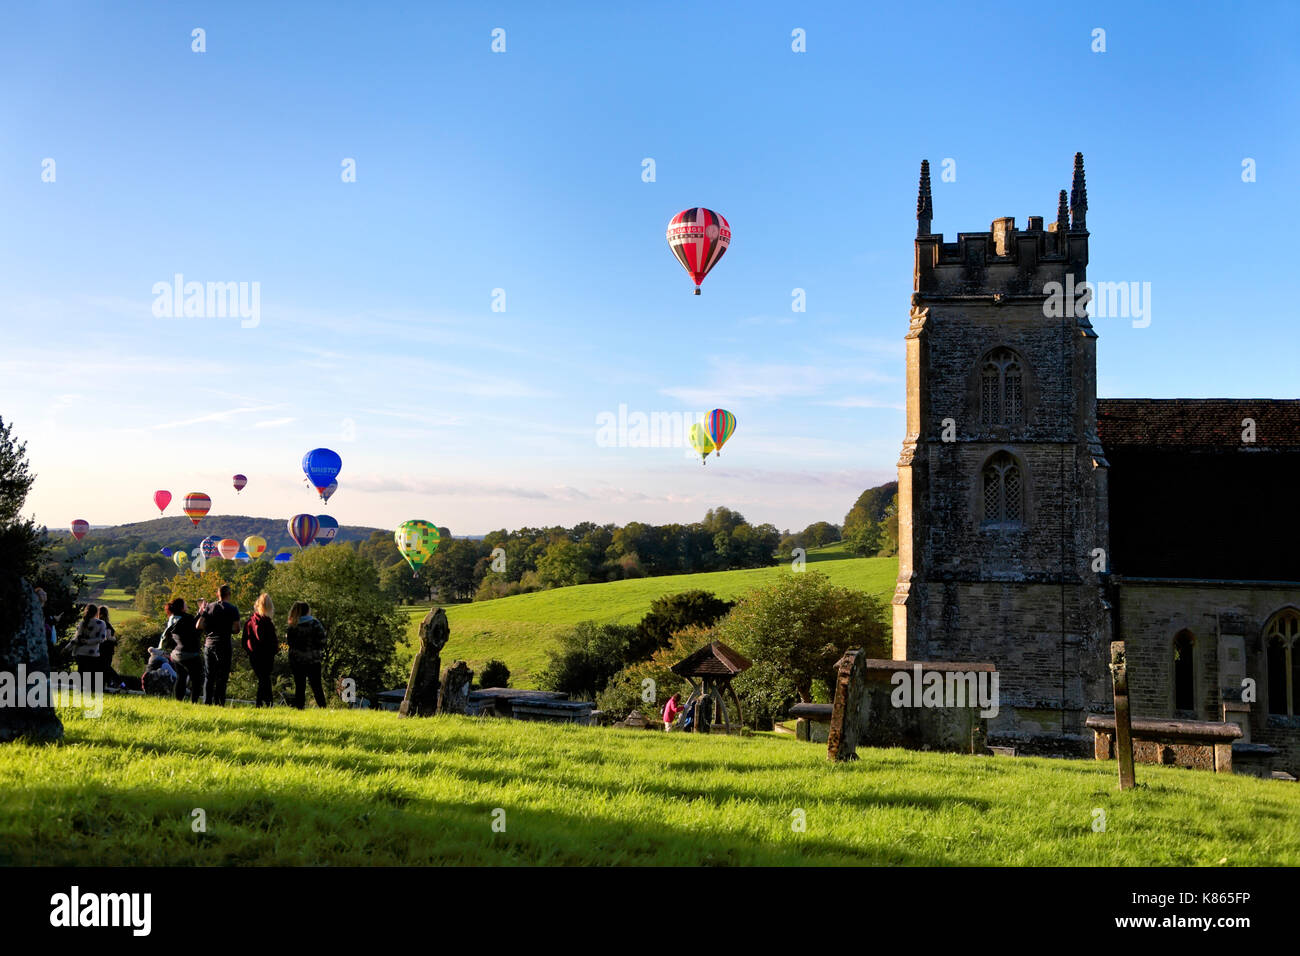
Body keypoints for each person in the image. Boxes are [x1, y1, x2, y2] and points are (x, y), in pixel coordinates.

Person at [195, 584, 240, 706]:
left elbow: (198, 625)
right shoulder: (232, 609)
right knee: (222, 676)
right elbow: (237, 629)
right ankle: (219, 702)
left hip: (209, 644)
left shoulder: (209, 607)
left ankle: (207, 702)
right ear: (229, 595)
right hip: (224, 644)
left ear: (217, 594)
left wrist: (209, 628)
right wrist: (227, 629)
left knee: (209, 676)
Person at [285, 601, 327, 709]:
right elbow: (322, 640)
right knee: (317, 685)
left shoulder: (292, 625)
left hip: (296, 659)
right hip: (313, 659)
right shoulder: (314, 623)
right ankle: (322, 707)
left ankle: (300, 708)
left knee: (299, 685)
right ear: (308, 611)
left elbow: (289, 642)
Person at [162, 598, 204, 703]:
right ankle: (193, 702)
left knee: (181, 678)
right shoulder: (187, 619)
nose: (187, 606)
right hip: (190, 654)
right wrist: (202, 615)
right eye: (185, 604)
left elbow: (188, 625)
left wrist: (199, 613)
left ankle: (178, 701)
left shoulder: (173, 619)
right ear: (181, 607)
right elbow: (195, 630)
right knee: (197, 679)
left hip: (176, 654)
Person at [242, 593, 279, 707]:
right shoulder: (268, 623)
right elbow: (273, 642)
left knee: (263, 679)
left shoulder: (249, 622)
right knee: (265, 679)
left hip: (254, 656)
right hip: (267, 656)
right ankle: (263, 703)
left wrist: (250, 652)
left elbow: (244, 641)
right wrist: (274, 651)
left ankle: (266, 703)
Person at [71, 604, 106, 676]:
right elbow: (102, 639)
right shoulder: (101, 623)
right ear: (96, 613)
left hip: (80, 652)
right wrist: (89, 641)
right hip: (92, 653)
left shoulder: (82, 623)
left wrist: (66, 648)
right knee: (91, 677)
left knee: (81, 676)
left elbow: (76, 639)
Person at [97, 606, 121, 689]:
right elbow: (109, 637)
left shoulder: (97, 623)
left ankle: (104, 685)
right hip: (107, 649)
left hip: (100, 648)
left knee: (103, 668)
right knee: (107, 667)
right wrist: (115, 639)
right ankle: (119, 682)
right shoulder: (106, 624)